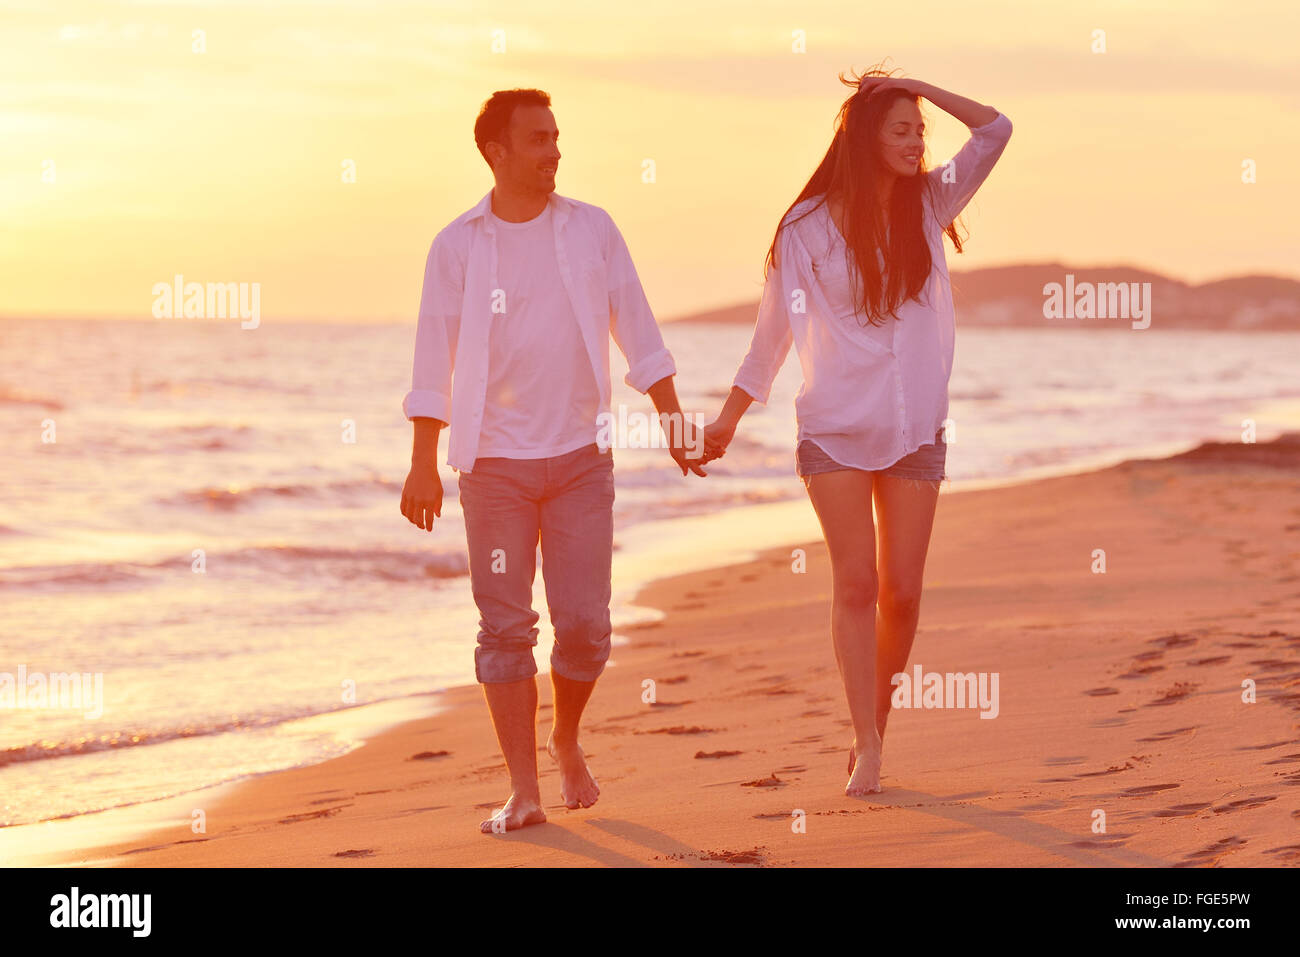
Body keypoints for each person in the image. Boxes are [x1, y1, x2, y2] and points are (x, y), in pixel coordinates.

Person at [399, 88, 716, 833]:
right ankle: (524, 788)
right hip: (494, 467)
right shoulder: (457, 246)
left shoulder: (591, 230)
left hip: (579, 459)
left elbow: (637, 326)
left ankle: (566, 735)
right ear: (496, 151)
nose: (555, 151)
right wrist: (422, 460)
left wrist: (672, 417)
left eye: (556, 136)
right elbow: (430, 357)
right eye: (538, 139)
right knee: (506, 629)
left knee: (584, 628)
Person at [703, 69, 1013, 796]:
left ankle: (874, 721)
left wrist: (919, 87)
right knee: (857, 581)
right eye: (899, 128)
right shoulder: (805, 227)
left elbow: (996, 129)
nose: (914, 141)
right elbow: (771, 337)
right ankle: (867, 742)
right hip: (835, 428)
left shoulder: (931, 203)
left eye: (919, 131)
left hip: (914, 430)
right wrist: (727, 418)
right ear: (863, 138)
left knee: (902, 593)